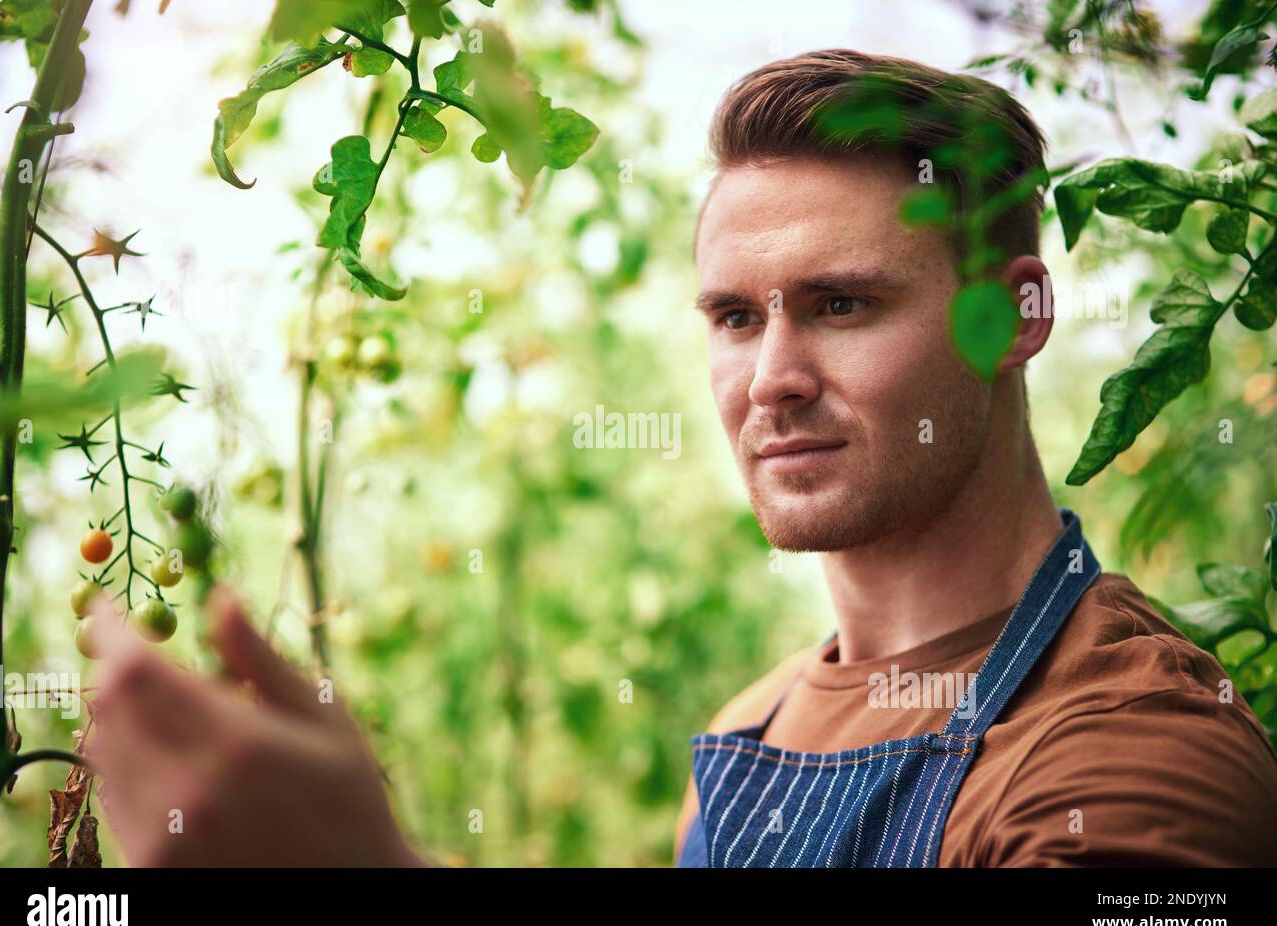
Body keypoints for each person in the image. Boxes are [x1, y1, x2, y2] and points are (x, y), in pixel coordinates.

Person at [85, 49, 1277, 868]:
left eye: (843, 304)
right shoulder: (752, 739)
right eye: (734, 318)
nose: (772, 377)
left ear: (1015, 318)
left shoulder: (1129, 754)